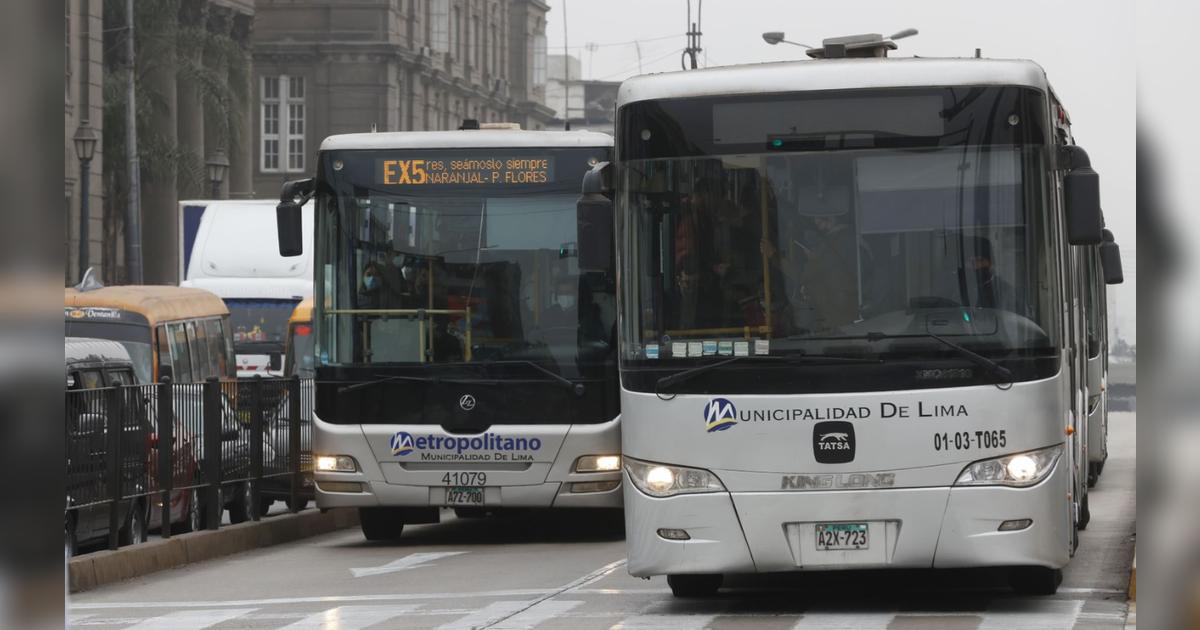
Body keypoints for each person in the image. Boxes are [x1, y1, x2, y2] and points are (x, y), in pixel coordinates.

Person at [798, 211, 860, 331]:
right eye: (814, 218)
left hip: (840, 306)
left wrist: (774, 256)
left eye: (818, 216)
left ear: (834, 216)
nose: (816, 222)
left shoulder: (841, 240)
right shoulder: (840, 237)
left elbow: (804, 274)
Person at [968, 236, 1017, 312]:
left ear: (990, 262)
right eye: (972, 262)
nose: (976, 266)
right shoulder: (960, 289)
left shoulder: (1005, 291)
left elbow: (1012, 318)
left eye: (980, 260)